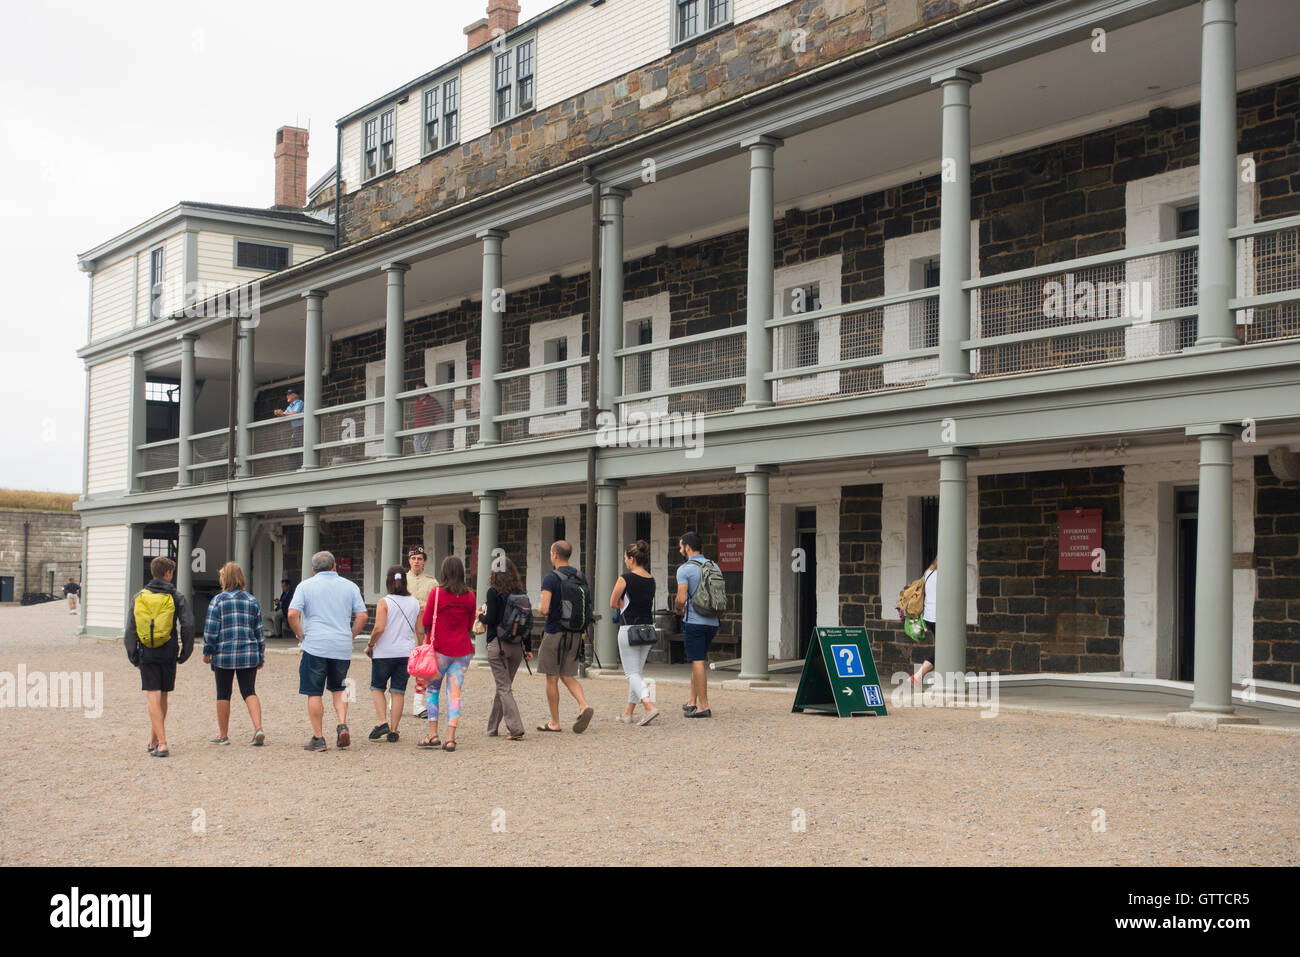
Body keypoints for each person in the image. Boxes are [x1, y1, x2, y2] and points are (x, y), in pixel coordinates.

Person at [289, 550, 368, 752]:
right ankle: (342, 723)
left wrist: (300, 634)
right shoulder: (350, 586)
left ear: (313, 569)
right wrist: (351, 634)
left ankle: (318, 737)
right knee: (341, 687)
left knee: (313, 691)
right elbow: (362, 616)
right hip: (341, 646)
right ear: (335, 567)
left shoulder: (305, 586)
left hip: (315, 644)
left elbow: (292, 614)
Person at [124, 556, 194, 758]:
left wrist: (133, 655)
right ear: (168, 573)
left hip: (147, 651)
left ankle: (157, 741)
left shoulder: (139, 596)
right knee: (163, 695)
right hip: (169, 650)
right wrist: (185, 651)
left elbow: (130, 628)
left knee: (152, 695)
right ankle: (159, 742)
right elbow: (188, 625)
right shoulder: (176, 596)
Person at [201, 562, 266, 746]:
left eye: (221, 575)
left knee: (223, 693)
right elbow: (259, 631)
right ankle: (258, 728)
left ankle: (223, 735)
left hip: (224, 655)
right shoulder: (252, 600)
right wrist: (260, 654)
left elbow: (211, 631)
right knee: (249, 691)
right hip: (249, 653)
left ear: (225, 578)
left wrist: (207, 653)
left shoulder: (218, 601)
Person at [535, 540, 594, 734]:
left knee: (551, 678)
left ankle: (554, 722)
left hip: (555, 633)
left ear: (554, 555)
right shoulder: (580, 575)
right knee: (567, 675)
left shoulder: (550, 578)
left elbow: (544, 609)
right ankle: (584, 705)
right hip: (576, 632)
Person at [419, 556, 476, 752]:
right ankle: (450, 738)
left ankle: (433, 734)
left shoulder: (437, 593)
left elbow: (426, 620)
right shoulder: (470, 595)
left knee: (433, 690)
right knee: (455, 694)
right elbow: (470, 625)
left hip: (439, 651)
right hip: (462, 651)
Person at [365, 565, 423, 743]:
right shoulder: (415, 603)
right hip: (405, 653)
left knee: (377, 688)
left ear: (388, 581)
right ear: (405, 581)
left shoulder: (384, 602)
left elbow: (379, 628)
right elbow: (420, 631)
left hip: (384, 652)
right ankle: (395, 730)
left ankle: (383, 722)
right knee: (398, 691)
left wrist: (370, 644)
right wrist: (418, 649)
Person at [479, 557, 531, 741]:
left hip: (498, 645)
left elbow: (491, 619)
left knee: (503, 688)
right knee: (504, 687)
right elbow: (527, 622)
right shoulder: (520, 593)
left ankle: (515, 728)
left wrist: (481, 615)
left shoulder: (493, 592)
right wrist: (528, 648)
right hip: (516, 647)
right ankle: (492, 728)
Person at [610, 539, 659, 726]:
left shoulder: (625, 578)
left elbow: (613, 602)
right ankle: (627, 713)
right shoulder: (651, 579)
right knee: (637, 672)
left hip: (629, 628)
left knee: (631, 674)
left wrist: (622, 605)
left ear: (631, 558)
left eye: (625, 558)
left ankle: (648, 705)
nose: (624, 561)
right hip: (647, 629)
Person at [675, 530, 719, 719]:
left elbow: (681, 598)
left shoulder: (685, 569)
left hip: (694, 621)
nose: (679, 550)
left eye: (680, 546)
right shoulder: (714, 566)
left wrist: (678, 609)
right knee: (697, 659)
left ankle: (704, 706)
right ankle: (692, 700)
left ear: (688, 547)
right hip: (713, 622)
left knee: (698, 661)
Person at [406, 545, 439, 719]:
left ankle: (418, 704)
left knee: (423, 667)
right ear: (409, 560)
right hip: (405, 631)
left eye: (419, 558)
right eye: (413, 558)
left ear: (424, 561)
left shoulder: (432, 582)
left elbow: (437, 605)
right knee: (402, 665)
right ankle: (395, 698)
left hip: (425, 631)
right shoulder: (402, 580)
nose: (416, 562)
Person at [909, 559, 939, 688]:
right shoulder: (944, 574)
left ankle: (920, 676)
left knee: (941, 646)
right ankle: (918, 676)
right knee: (942, 649)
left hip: (929, 615)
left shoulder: (929, 572)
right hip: (940, 616)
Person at [411, 384, 446, 454]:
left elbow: (440, 413)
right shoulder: (417, 401)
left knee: (425, 447)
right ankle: (419, 459)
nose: (416, 391)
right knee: (417, 444)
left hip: (426, 428)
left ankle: (424, 459)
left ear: (424, 389)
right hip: (417, 428)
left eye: (418, 389)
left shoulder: (430, 400)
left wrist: (430, 421)